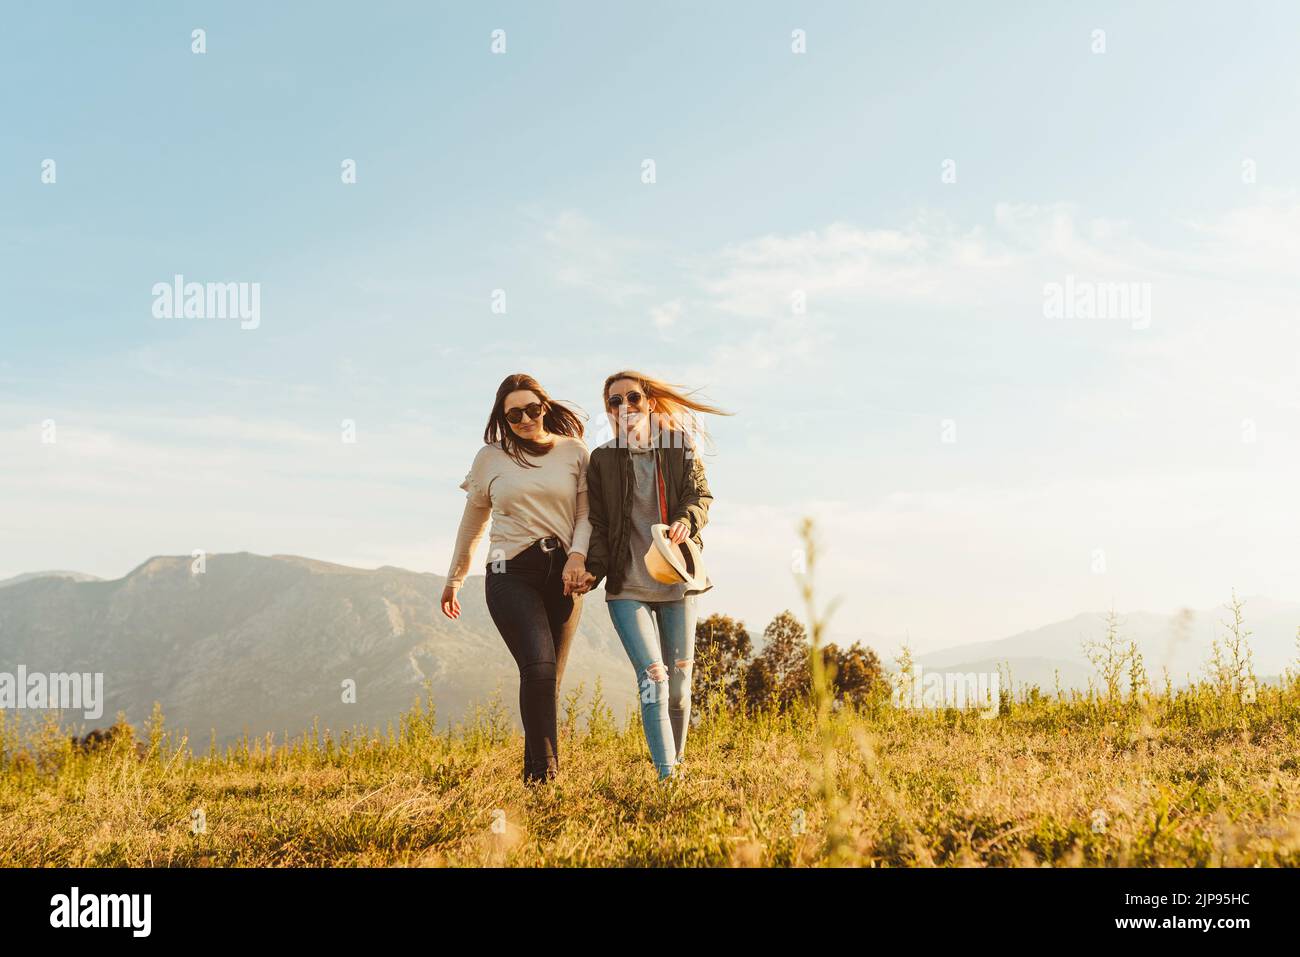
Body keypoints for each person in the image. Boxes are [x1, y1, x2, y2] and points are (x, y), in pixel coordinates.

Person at [441, 373, 592, 783]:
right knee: (539, 669)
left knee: (548, 681)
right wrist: (456, 578)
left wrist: (577, 556)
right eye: (513, 414)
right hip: (511, 572)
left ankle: (533, 777)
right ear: (503, 418)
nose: (525, 418)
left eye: (532, 409)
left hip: (565, 573)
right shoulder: (490, 457)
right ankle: (546, 779)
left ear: (544, 407)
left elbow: (585, 514)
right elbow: (473, 520)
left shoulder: (575, 452)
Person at [579, 370, 730, 780]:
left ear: (648, 403)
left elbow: (701, 496)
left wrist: (686, 520)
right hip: (628, 588)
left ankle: (674, 766)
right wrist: (592, 571)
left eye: (632, 399)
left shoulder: (678, 448)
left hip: (678, 583)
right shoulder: (603, 460)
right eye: (614, 401)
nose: (624, 407)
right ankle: (668, 780)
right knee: (654, 680)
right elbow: (598, 523)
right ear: (607, 409)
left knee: (679, 691)